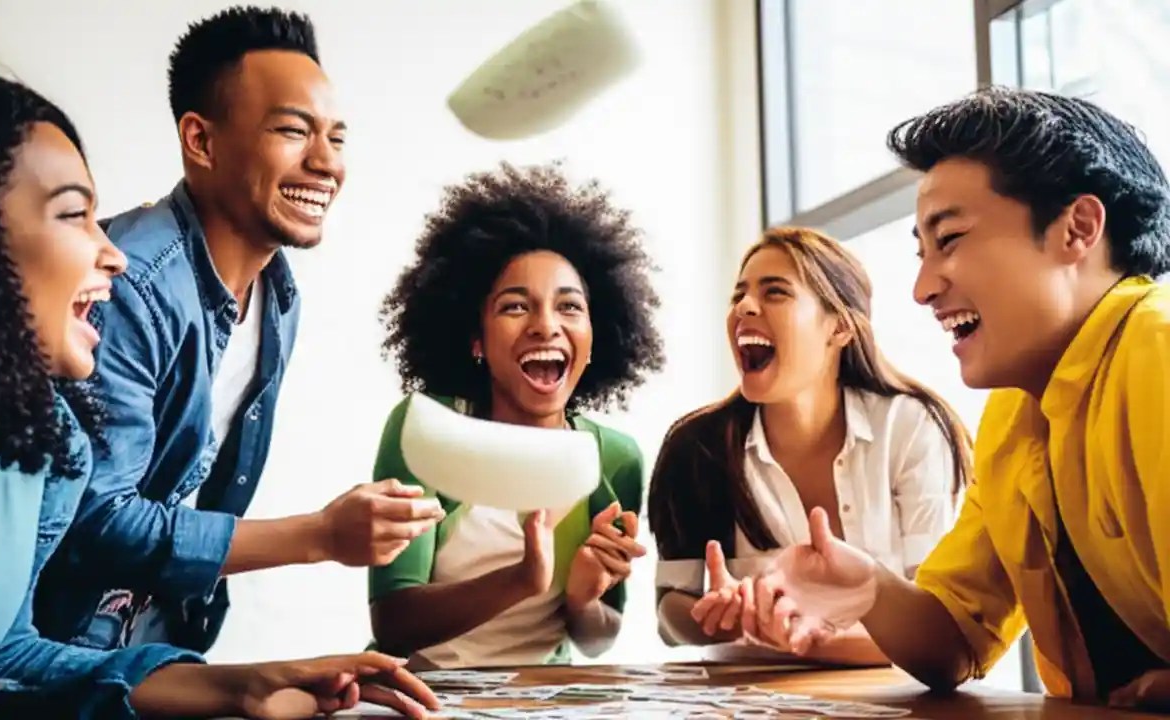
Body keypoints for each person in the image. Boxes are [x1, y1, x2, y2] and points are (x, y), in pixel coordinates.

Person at [0, 65, 438, 719]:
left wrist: (243, 684)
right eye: (73, 216)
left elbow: (5, 656)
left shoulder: (45, 445)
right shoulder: (142, 291)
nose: (111, 254)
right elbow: (104, 529)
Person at [741, 87, 1170, 713]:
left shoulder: (1156, 350)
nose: (921, 288)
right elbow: (954, 638)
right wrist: (868, 588)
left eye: (952, 239)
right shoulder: (1019, 414)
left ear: (1077, 229)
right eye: (923, 250)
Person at [33, 6, 444, 654]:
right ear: (201, 140)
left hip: (161, 637)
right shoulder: (130, 284)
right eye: (292, 130)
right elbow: (95, 522)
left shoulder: (279, 296)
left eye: (336, 139)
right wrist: (320, 535)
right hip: (68, 651)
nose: (325, 163)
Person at [368, 163, 665, 668]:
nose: (545, 326)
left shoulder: (613, 458)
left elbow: (597, 639)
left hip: (538, 700)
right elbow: (394, 623)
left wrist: (582, 597)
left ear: (597, 338)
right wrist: (521, 580)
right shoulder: (429, 429)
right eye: (514, 307)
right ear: (477, 339)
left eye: (569, 308)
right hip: (420, 694)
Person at [647, 227, 970, 667]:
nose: (744, 306)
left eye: (775, 292)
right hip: (748, 704)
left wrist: (803, 637)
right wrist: (722, 620)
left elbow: (943, 623)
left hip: (895, 704)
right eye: (738, 294)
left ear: (838, 327)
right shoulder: (696, 448)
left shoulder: (910, 427)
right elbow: (670, 612)